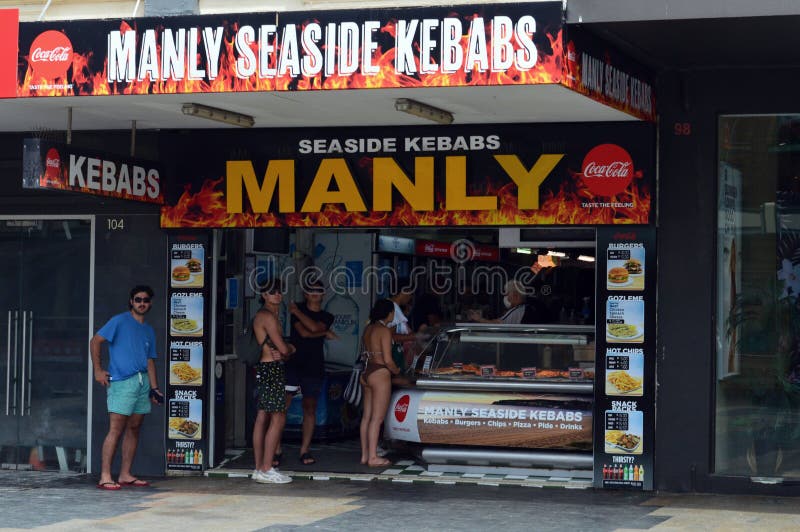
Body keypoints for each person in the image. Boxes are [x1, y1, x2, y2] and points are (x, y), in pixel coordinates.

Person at [90, 285, 163, 491]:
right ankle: (105, 475)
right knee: (116, 428)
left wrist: (154, 388)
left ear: (150, 303)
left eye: (146, 300)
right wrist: (98, 370)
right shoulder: (119, 321)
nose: (142, 303)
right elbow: (95, 341)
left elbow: (150, 361)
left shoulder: (148, 330)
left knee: (134, 427)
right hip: (122, 381)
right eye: (138, 299)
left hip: (142, 382)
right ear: (131, 301)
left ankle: (125, 473)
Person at [282, 280, 336, 466]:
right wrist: (325, 334)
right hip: (294, 364)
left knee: (310, 408)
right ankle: (276, 448)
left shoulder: (327, 316)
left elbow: (314, 328)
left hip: (314, 366)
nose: (315, 293)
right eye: (311, 290)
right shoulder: (298, 311)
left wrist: (297, 312)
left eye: (318, 290)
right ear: (305, 293)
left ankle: (304, 450)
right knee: (283, 407)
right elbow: (307, 333)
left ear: (323, 294)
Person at [251, 279, 296, 484]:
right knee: (277, 418)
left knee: (263, 417)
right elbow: (284, 349)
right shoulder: (267, 316)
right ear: (263, 295)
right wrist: (291, 349)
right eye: (271, 292)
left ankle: (260, 467)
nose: (277, 295)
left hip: (264, 369)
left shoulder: (267, 315)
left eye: (279, 291)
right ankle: (267, 467)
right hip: (271, 369)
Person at [359, 299, 401, 467]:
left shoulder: (368, 328)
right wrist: (398, 371)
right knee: (377, 419)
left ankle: (364, 455)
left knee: (366, 417)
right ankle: (373, 457)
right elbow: (388, 360)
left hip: (366, 372)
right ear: (389, 313)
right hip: (380, 373)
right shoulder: (384, 330)